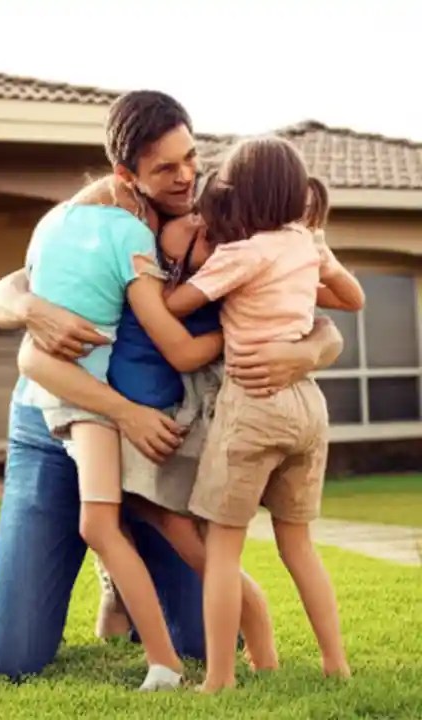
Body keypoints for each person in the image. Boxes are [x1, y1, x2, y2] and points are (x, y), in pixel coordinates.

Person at [0, 90, 347, 682]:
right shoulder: (102, 217)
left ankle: (123, 576)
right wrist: (30, 308)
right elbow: (12, 309)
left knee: (198, 639)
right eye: (166, 168)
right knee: (13, 657)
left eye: (190, 157)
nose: (185, 176)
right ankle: (7, 606)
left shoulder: (225, 209)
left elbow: (310, 308)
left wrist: (308, 352)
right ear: (127, 175)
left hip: (158, 432)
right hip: (63, 419)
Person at [15, 178, 282, 674]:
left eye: (211, 233)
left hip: (164, 423)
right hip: (100, 411)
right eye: (194, 221)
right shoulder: (134, 248)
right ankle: (122, 593)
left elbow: (195, 346)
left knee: (178, 534)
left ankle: (253, 621)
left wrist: (236, 335)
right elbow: (15, 301)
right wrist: (28, 306)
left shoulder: (212, 288)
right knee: (124, 516)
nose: (199, 229)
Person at [152, 137, 362, 692]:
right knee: (299, 545)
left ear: (241, 193)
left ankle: (219, 678)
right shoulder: (304, 243)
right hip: (306, 405)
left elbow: (175, 305)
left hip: (253, 402)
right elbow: (352, 299)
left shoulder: (242, 254)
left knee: (223, 549)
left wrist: (164, 277)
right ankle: (335, 663)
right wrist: (319, 263)